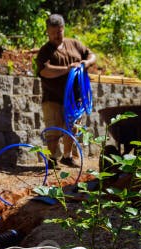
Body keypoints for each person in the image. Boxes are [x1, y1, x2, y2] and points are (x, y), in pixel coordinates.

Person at [35, 14, 97, 166]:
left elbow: (92, 55)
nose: (57, 35)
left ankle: (67, 157)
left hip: (75, 99)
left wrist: (86, 62)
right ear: (47, 32)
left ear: (63, 29)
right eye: (53, 32)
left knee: (72, 128)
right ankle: (52, 159)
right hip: (53, 98)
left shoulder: (74, 44)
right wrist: (67, 69)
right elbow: (45, 71)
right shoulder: (45, 51)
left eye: (59, 31)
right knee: (53, 131)